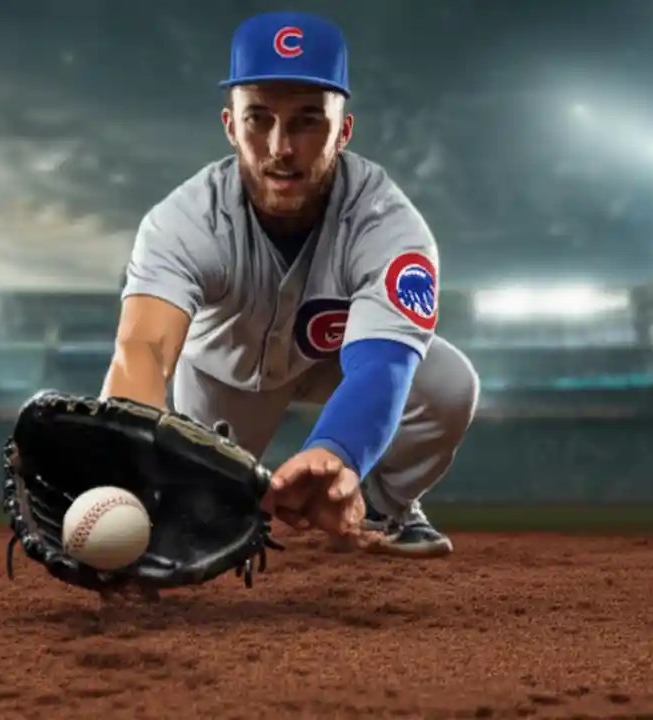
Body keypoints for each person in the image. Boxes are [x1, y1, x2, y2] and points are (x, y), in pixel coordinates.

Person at [100, 10, 479, 557]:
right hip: (222, 376)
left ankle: (383, 505)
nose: (281, 146)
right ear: (230, 126)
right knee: (201, 520)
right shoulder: (183, 221)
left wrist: (338, 451)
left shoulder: (387, 222)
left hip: (334, 361)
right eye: (259, 118)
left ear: (342, 131)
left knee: (448, 384)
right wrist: (122, 466)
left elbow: (384, 364)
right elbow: (144, 347)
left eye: (306, 121)